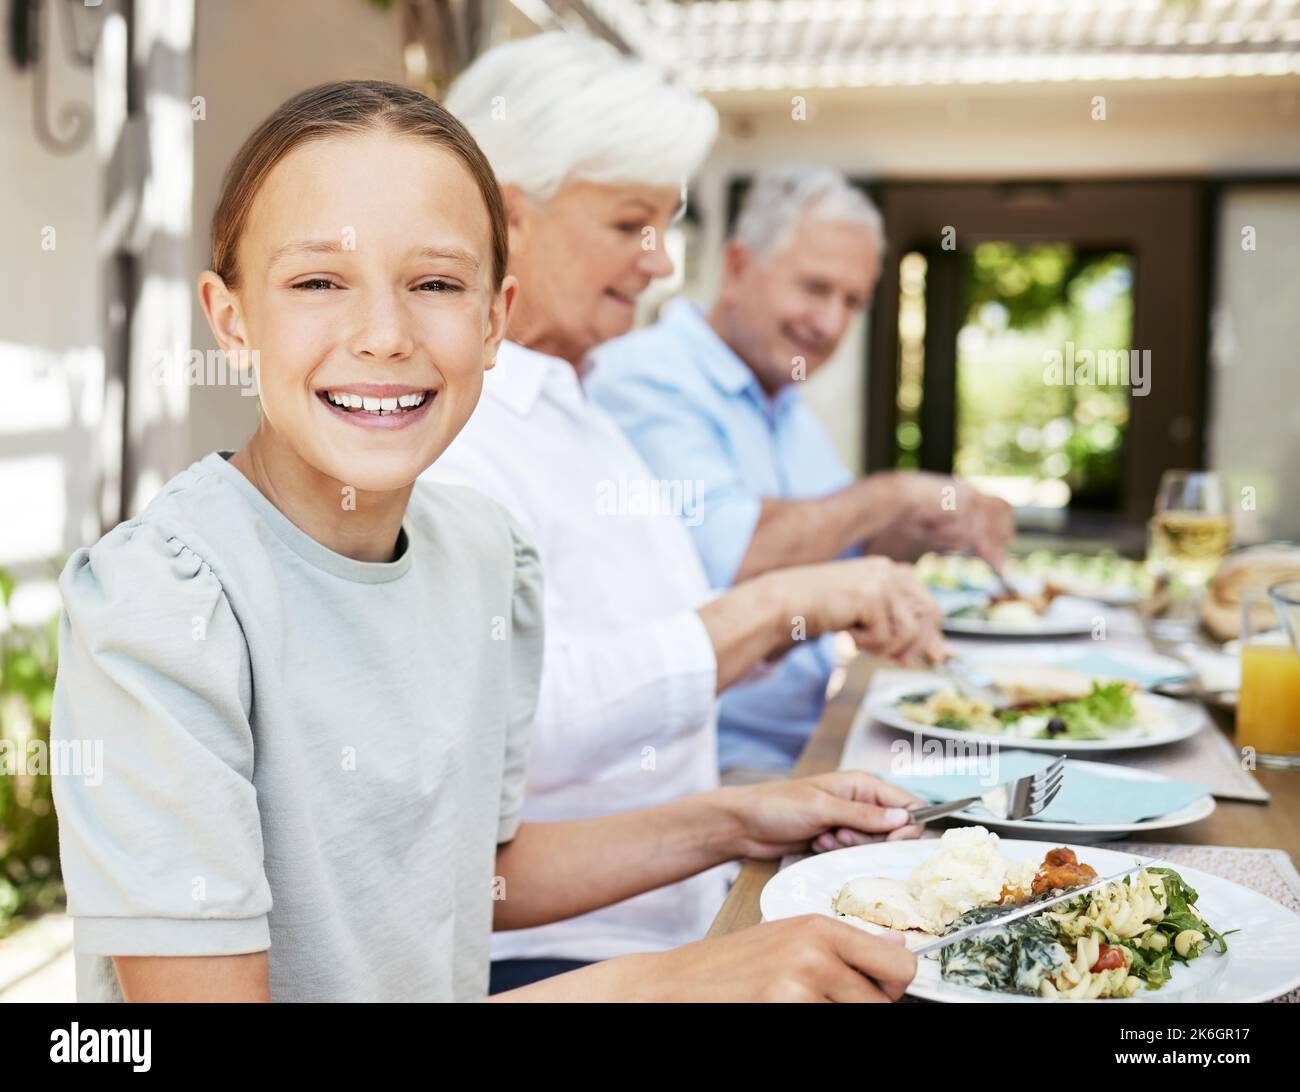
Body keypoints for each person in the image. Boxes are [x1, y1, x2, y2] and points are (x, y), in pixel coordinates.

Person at [49, 80, 919, 1003]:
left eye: (434, 284)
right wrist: (671, 984)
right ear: (231, 322)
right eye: (316, 282)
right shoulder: (164, 602)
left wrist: (742, 820)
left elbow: (475, 872)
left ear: (495, 319)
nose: (383, 335)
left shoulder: (483, 554)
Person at [420, 34, 946, 992]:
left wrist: (758, 796)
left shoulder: (574, 401)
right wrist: (781, 603)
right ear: (508, 216)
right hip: (556, 956)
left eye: (668, 226)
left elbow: (638, 635)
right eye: (631, 224)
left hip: (673, 905)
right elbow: (523, 719)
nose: (661, 266)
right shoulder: (452, 429)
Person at [590, 164, 1015, 779]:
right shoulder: (645, 379)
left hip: (817, 731)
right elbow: (740, 553)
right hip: (714, 762)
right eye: (815, 288)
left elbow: (841, 545)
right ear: (737, 268)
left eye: (852, 301)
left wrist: (931, 523)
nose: (832, 325)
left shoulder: (783, 399)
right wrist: (897, 491)